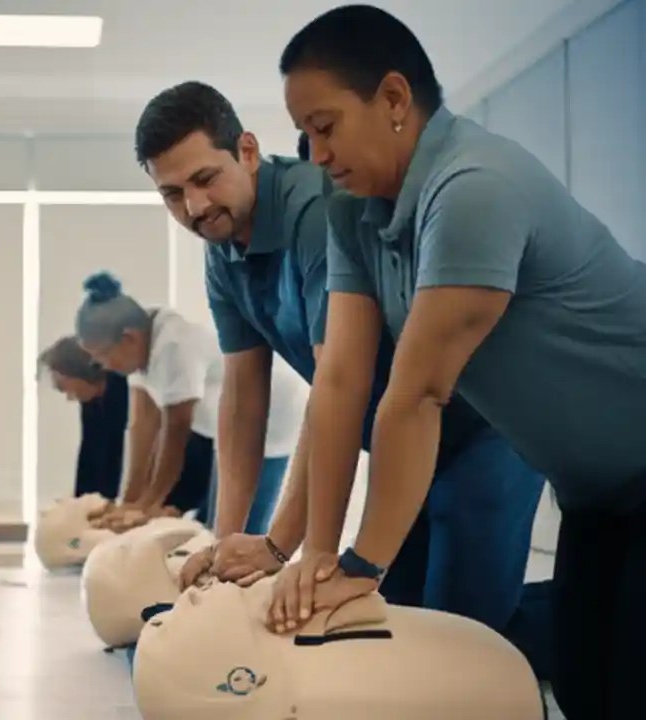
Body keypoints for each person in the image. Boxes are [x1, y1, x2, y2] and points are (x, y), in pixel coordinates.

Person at [274, 6, 646, 717]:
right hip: (594, 491)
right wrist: (318, 553)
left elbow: (417, 393)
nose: (315, 154)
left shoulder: (474, 185)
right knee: (584, 688)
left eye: (324, 127)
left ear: (393, 98)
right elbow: (343, 379)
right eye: (305, 134)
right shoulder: (352, 208)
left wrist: (362, 566)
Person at [138, 79, 549, 674]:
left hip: (482, 426)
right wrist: (225, 544)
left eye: (205, 179)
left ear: (247, 151)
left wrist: (281, 545)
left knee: (461, 634)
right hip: (399, 441)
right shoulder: (222, 248)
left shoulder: (315, 212)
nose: (195, 207)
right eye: (173, 194)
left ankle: (608, 621)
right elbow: (244, 404)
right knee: (397, 623)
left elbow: (338, 385)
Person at [75, 272, 287, 530]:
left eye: (102, 356)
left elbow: (176, 430)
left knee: (235, 533)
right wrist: (130, 502)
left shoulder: (174, 344)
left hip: (270, 417)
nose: (104, 366)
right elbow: (143, 427)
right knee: (206, 529)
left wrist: (150, 502)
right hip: (222, 426)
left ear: (128, 338)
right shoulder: (141, 341)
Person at [38, 335, 129, 500]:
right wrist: (82, 502)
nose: (69, 397)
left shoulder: (126, 389)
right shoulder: (91, 401)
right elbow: (89, 454)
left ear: (76, 370)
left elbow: (122, 454)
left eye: (64, 387)